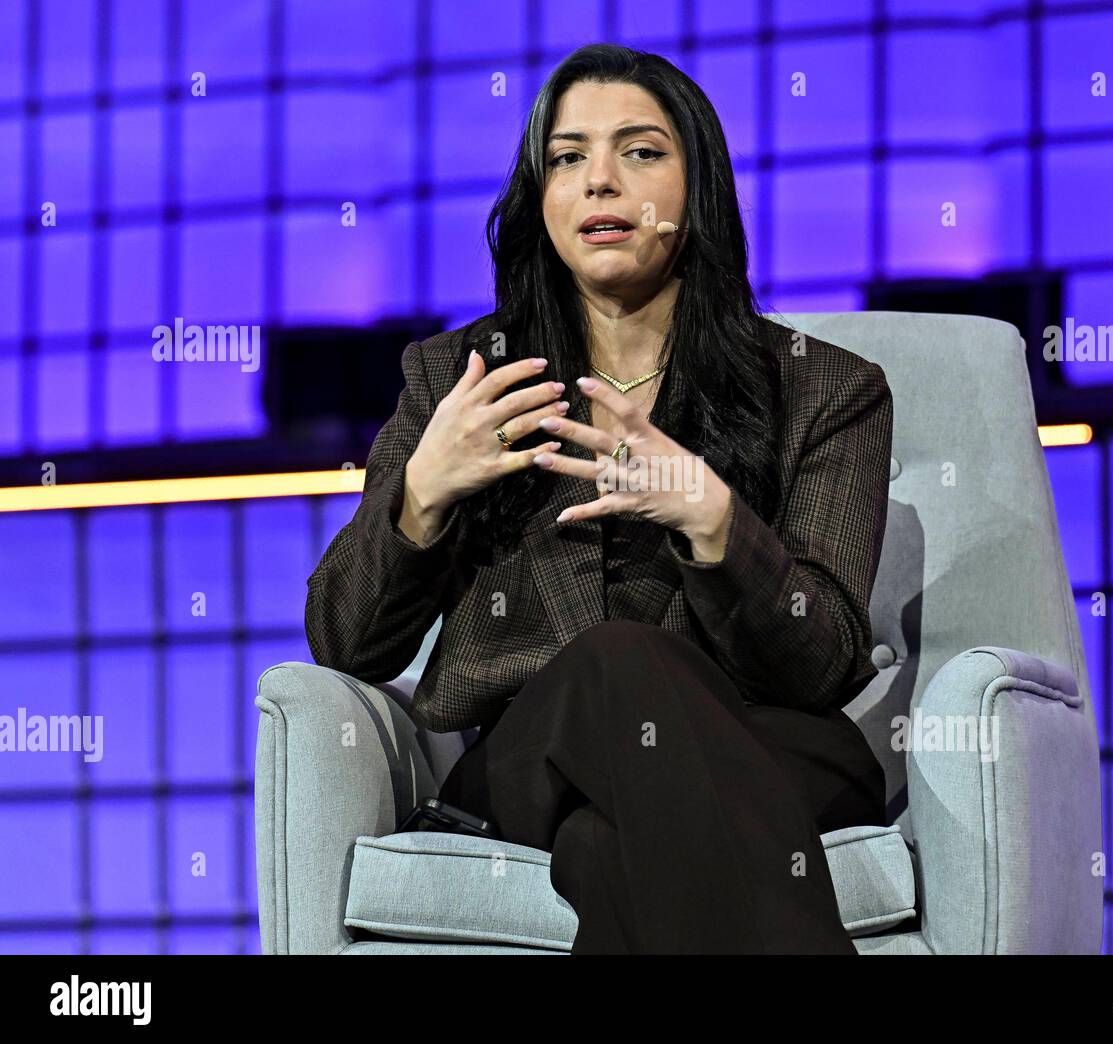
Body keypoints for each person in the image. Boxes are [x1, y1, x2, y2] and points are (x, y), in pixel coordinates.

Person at [305, 43, 894, 955]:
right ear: (540, 200)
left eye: (641, 152)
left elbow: (823, 666)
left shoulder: (826, 391)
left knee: (603, 843)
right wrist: (423, 493)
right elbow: (344, 639)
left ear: (697, 188)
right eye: (568, 157)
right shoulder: (462, 383)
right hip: (531, 752)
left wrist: (714, 521)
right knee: (618, 661)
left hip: (767, 740)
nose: (601, 183)